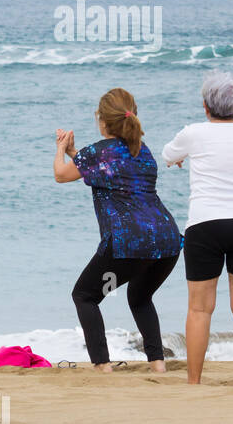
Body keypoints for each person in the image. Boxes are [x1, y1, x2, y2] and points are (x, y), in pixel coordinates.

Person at [53, 88, 181, 374]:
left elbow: (61, 175)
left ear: (102, 121)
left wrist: (62, 148)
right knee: (140, 297)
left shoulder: (99, 152)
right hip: (167, 241)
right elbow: (111, 168)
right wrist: (78, 153)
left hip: (128, 242)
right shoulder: (142, 150)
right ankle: (158, 364)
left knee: (85, 296)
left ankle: (102, 366)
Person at [162, 71, 233, 385]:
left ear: (206, 105)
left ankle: (194, 382)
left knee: (199, 308)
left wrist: (184, 158)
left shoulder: (193, 133)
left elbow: (168, 156)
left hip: (205, 225)